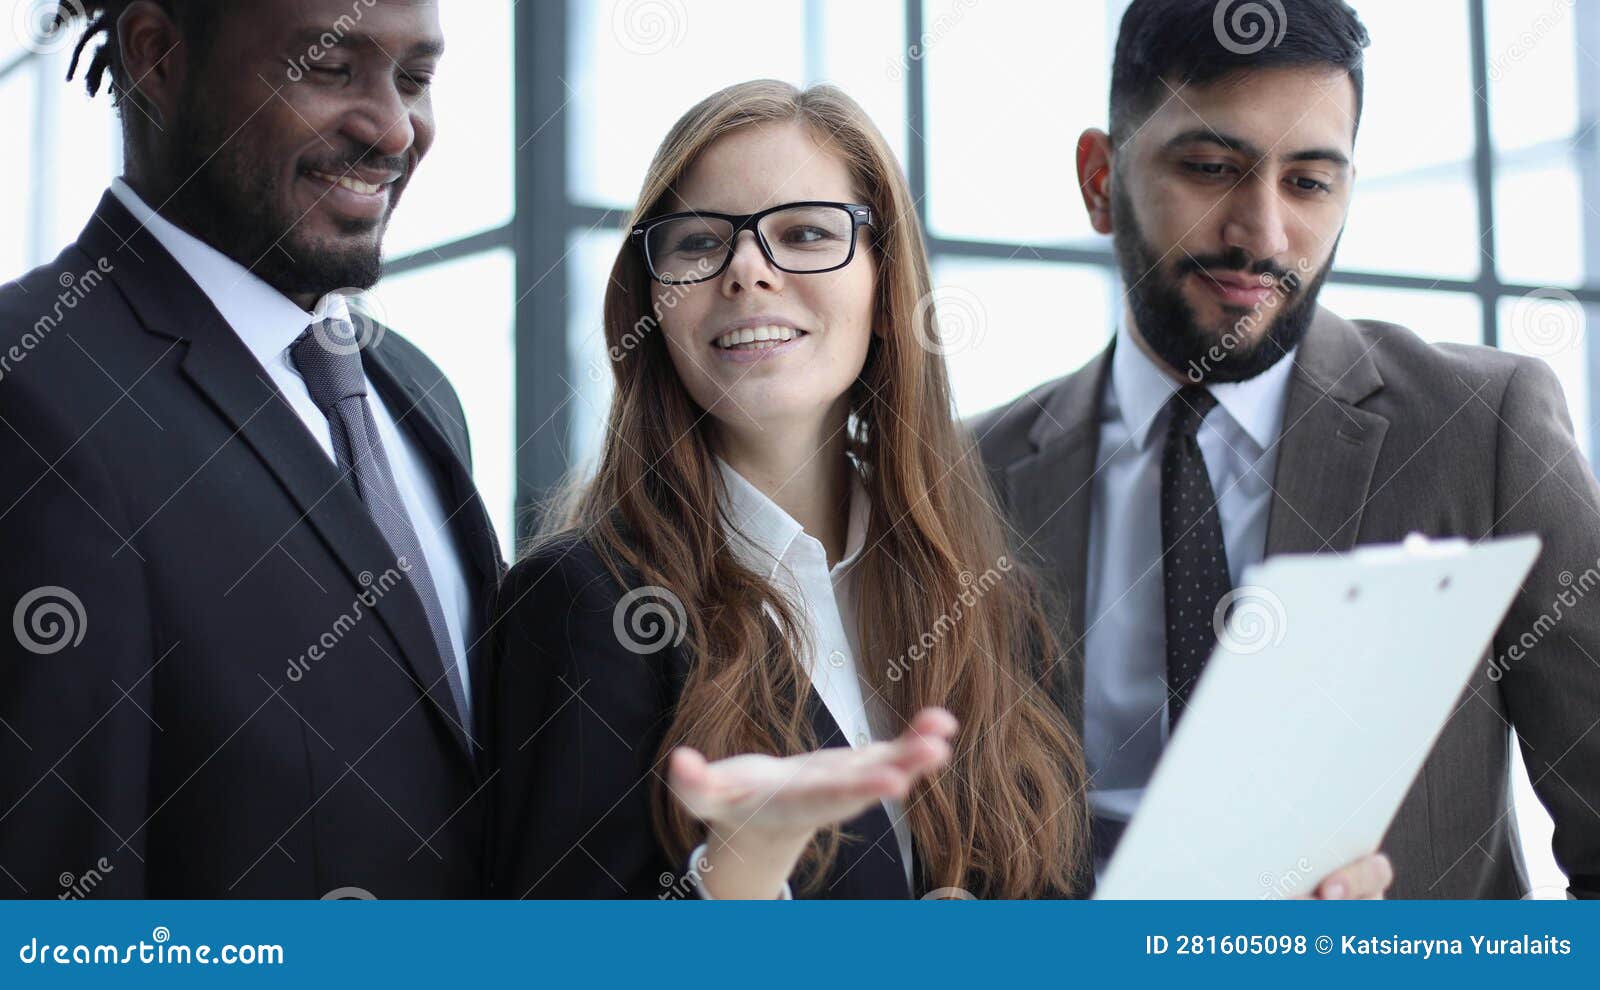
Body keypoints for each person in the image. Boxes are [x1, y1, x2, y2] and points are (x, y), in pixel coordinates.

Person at [489, 79, 1391, 901]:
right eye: (697, 242)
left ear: (887, 286)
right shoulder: (583, 602)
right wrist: (738, 870)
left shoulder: (990, 595)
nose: (747, 270)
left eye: (806, 232)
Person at [972, 0, 1599, 899]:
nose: (1262, 234)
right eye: (1211, 168)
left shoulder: (1482, 428)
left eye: (1308, 183)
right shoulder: (973, 473)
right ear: (1101, 180)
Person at [0, 0, 501, 897]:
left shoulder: (417, 392)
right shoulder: (28, 384)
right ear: (157, 55)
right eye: (330, 68)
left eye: (415, 79)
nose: (391, 127)